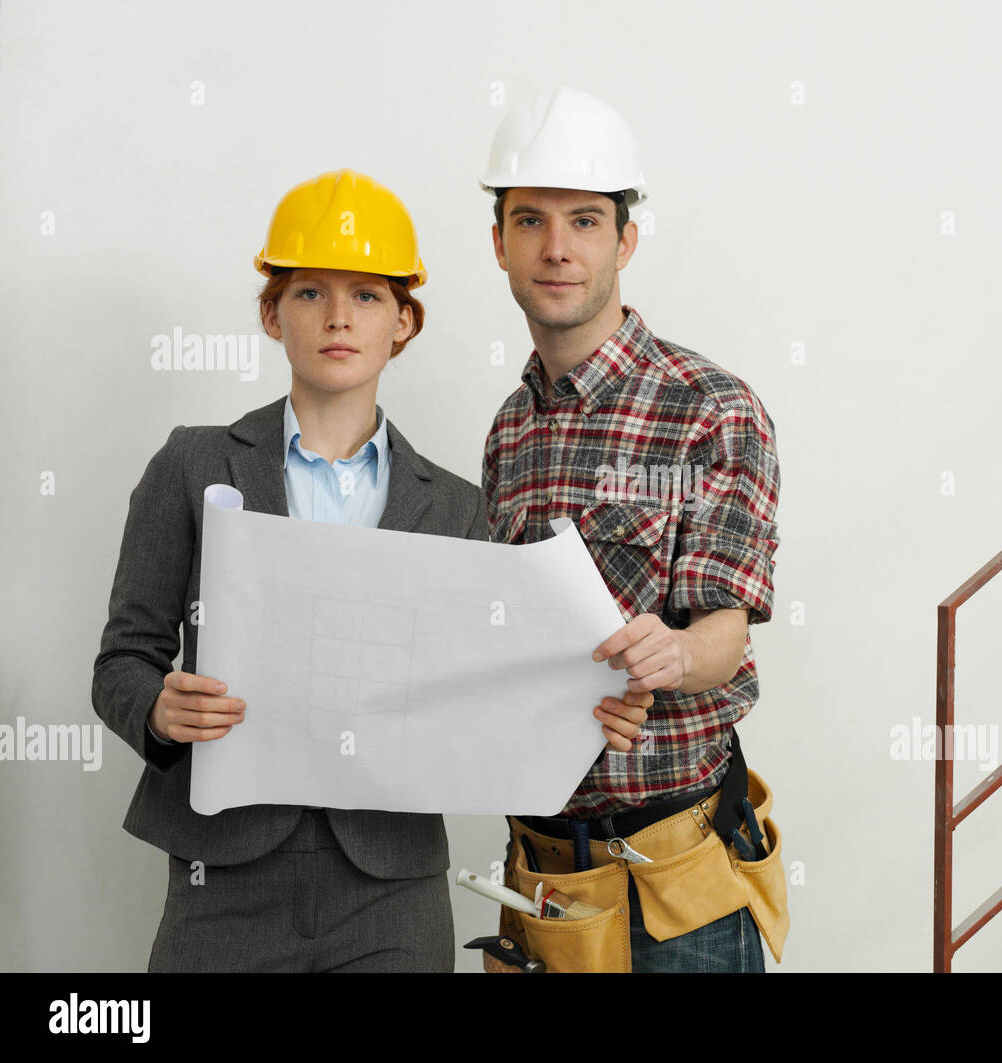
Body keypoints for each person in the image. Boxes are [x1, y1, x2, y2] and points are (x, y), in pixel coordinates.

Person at [91, 168, 649, 972]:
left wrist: (586, 708)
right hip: (225, 877)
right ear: (271, 312)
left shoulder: (458, 507)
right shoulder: (194, 464)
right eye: (311, 293)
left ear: (403, 322)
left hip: (391, 887)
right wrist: (156, 708)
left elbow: (486, 691)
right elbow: (121, 660)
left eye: (367, 296)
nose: (340, 317)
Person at [479, 88, 790, 973]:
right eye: (529, 220)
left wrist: (672, 655)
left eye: (584, 220)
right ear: (498, 242)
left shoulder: (711, 410)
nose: (557, 248)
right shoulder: (509, 429)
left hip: (672, 886)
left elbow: (724, 636)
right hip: (538, 878)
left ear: (626, 239)